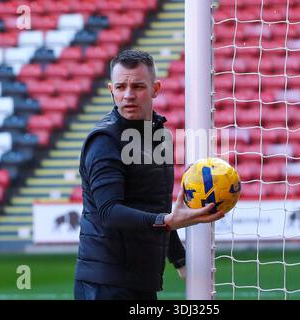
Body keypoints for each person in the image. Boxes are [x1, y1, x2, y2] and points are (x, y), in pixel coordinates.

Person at [74, 49, 225, 300]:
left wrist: (179, 259)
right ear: (111, 89)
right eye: (121, 87)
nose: (128, 95)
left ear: (156, 88)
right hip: (104, 284)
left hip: (141, 281)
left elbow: (157, 207)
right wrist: (166, 222)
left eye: (138, 86)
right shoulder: (105, 140)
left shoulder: (160, 137)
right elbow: (110, 212)